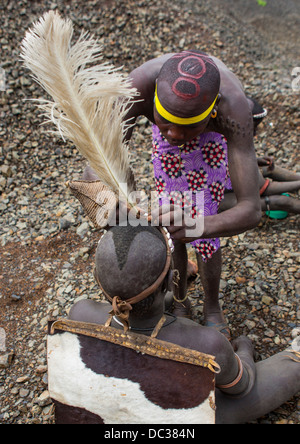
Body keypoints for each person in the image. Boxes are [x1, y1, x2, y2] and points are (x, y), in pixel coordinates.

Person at [86, 50, 262, 339]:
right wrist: (110, 203)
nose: (176, 136)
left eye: (188, 127)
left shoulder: (233, 110)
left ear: (213, 112)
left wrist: (200, 225)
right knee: (171, 223)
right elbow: (94, 167)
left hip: (210, 142)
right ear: (153, 101)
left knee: (202, 222)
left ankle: (213, 306)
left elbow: (250, 209)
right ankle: (179, 299)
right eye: (166, 123)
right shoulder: (134, 92)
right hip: (172, 145)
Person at [67, 225, 300, 424]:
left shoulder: (80, 313)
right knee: (243, 393)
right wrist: (245, 349)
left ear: (98, 281)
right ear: (171, 279)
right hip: (177, 421)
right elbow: (243, 387)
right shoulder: (207, 343)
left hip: (118, 412)